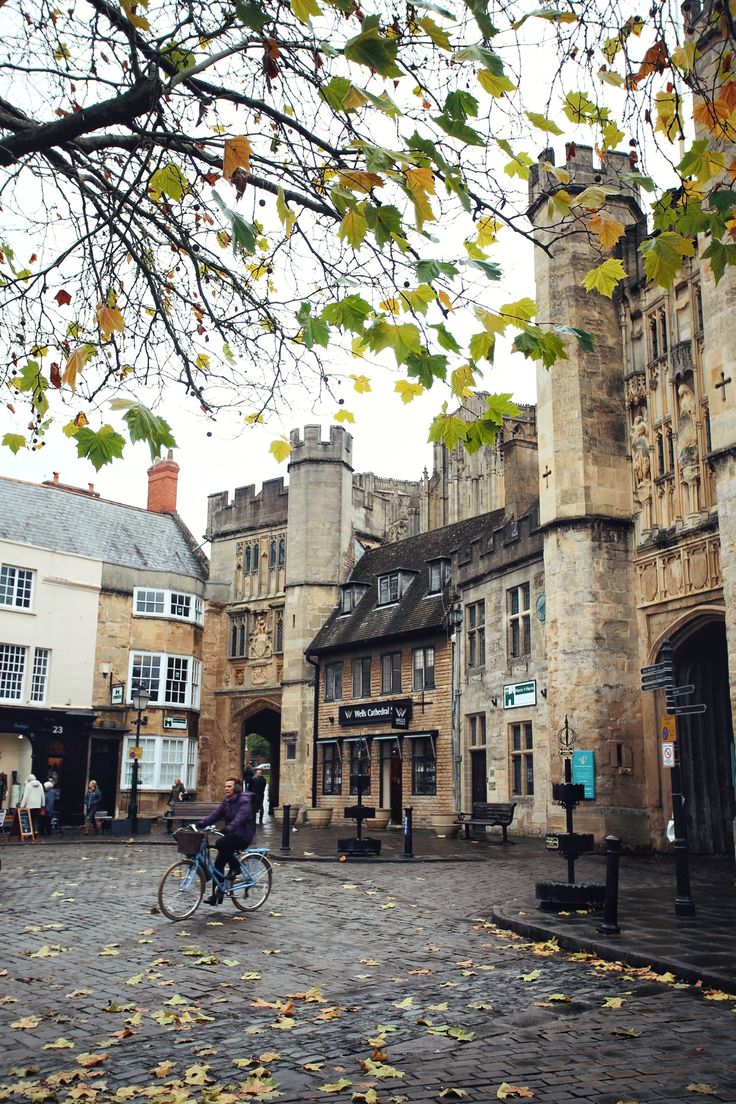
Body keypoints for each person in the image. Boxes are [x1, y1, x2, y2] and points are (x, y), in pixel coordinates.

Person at [196, 777, 255, 906]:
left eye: (229, 786)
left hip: (243, 835)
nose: (226, 789)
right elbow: (215, 815)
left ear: (237, 788)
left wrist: (229, 828)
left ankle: (236, 867)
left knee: (220, 843)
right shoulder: (226, 802)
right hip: (232, 835)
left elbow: (240, 818)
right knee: (217, 865)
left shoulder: (244, 801)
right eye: (226, 786)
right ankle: (216, 895)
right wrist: (200, 824)